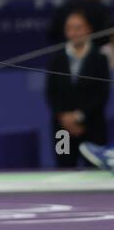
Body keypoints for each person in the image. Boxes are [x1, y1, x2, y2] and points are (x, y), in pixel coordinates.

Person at [46, 11, 110, 168]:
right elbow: (51, 93)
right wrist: (64, 117)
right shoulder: (56, 59)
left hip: (92, 127)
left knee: (94, 170)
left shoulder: (99, 58)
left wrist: (79, 116)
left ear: (88, 29)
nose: (74, 32)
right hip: (62, 130)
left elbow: (102, 93)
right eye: (70, 28)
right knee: (64, 168)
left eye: (78, 28)